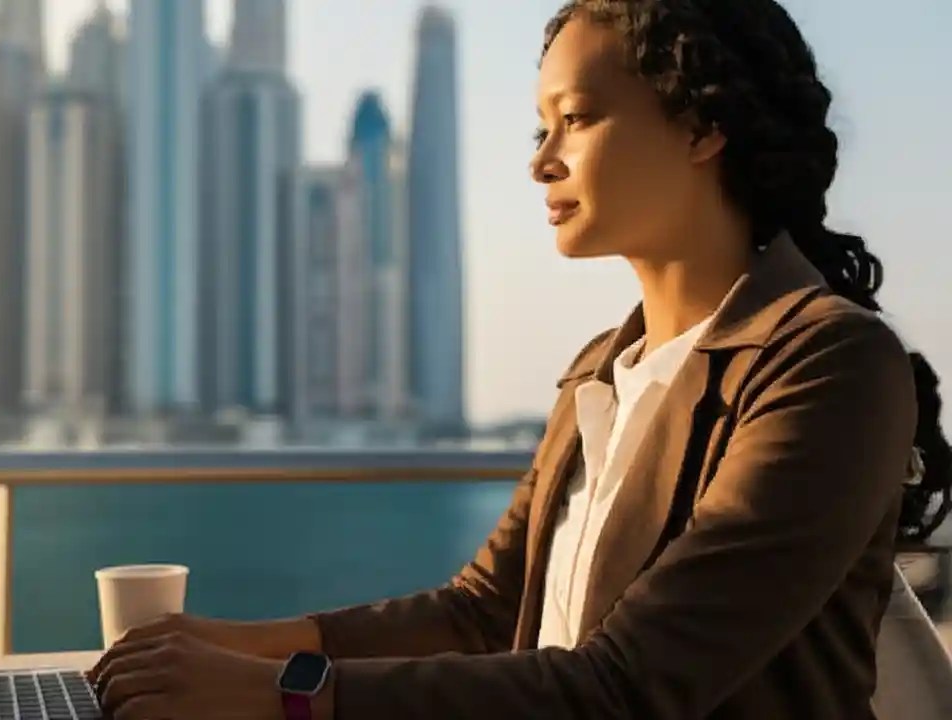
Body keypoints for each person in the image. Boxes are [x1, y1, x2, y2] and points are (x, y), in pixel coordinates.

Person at [88, 1, 952, 717]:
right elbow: (483, 611)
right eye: (543, 127)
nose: (541, 162)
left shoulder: (827, 364)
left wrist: (283, 694)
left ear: (701, 126)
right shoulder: (600, 370)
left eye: (574, 120)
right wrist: (222, 645)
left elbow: (628, 687)